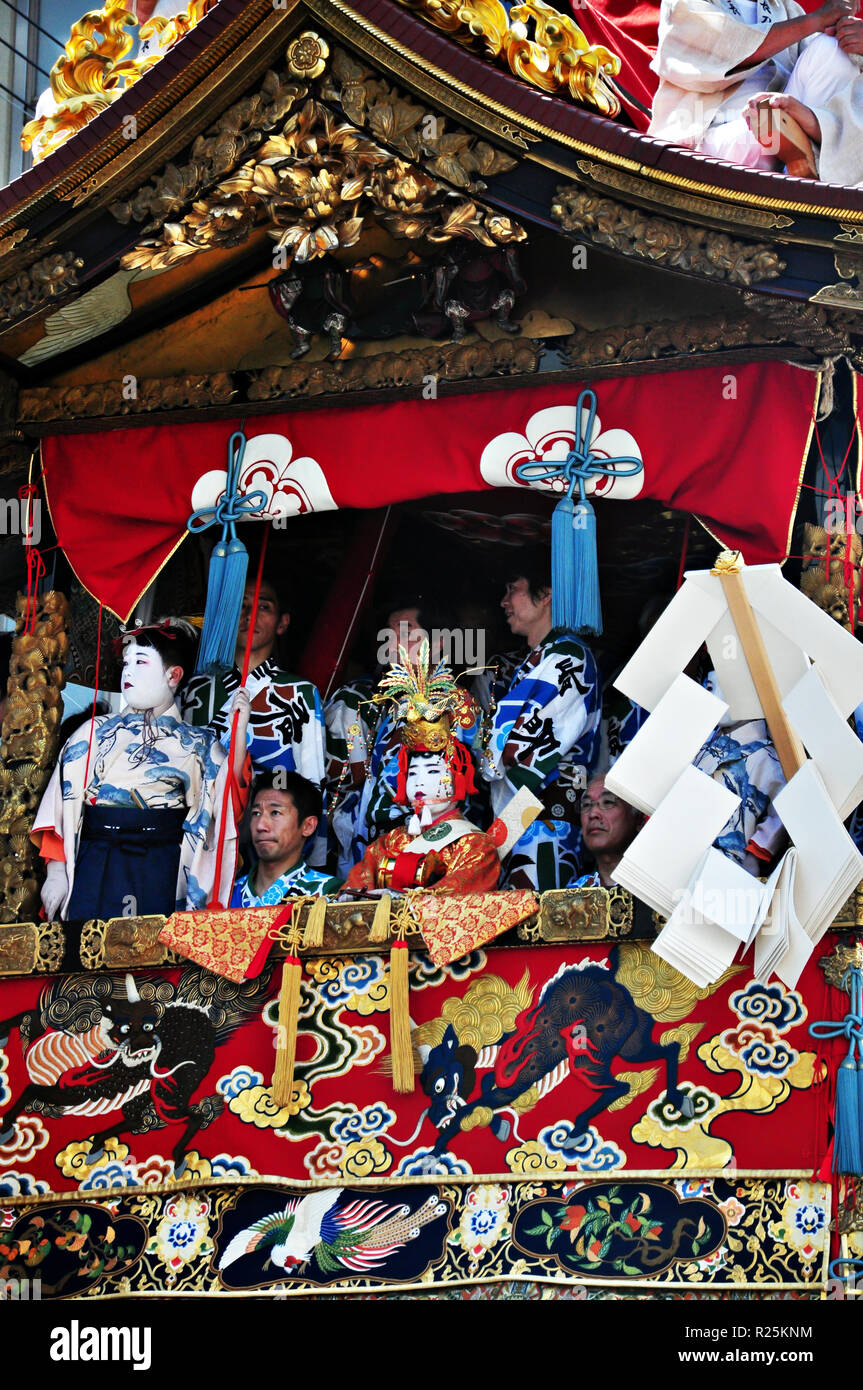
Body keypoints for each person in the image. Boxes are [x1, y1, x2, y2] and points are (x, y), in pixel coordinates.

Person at [33, 621, 250, 921]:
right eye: (126, 663)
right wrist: (56, 871)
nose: (129, 672)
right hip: (95, 856)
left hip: (161, 862)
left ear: (173, 675)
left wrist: (239, 737)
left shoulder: (199, 743)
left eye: (140, 662)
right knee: (88, 952)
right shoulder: (92, 733)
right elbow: (60, 805)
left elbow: (227, 802)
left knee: (149, 957)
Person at [325, 597, 479, 871]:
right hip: (378, 842)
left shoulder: (456, 702)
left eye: (406, 633)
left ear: (439, 642)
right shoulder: (388, 706)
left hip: (432, 843)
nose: (393, 642)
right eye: (390, 633)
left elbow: (477, 778)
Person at [478, 551, 602, 891]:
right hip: (520, 813)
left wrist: (482, 750)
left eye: (512, 589)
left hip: (543, 814)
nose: (504, 601)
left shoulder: (568, 657)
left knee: (536, 914)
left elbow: (514, 751)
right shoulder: (538, 659)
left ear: (545, 595)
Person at [182, 573, 327, 861]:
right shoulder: (195, 691)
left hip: (274, 839)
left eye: (264, 607)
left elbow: (313, 781)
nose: (250, 616)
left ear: (282, 622)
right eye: (242, 606)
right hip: (202, 836)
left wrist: (314, 860)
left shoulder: (300, 693)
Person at [649, 0, 863, 185]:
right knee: (764, 116)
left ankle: (807, 162)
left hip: (780, 123)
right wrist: (816, 20)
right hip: (713, 141)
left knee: (832, 49)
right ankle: (804, 156)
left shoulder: (785, 8)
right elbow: (724, 52)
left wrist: (848, 35)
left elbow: (830, 72)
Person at [343, 654, 500, 896]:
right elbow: (354, 887)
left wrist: (401, 903)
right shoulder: (388, 843)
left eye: (433, 771)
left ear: (457, 777)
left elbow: (462, 900)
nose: (420, 781)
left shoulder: (474, 844)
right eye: (413, 773)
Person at [693, 672, 787, 875]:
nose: (715, 697)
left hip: (728, 864)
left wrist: (756, 853)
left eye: (724, 689)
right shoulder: (700, 745)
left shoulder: (767, 757)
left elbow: (784, 810)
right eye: (710, 689)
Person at [230, 771, 340, 907]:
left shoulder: (330, 894)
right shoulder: (228, 894)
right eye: (256, 813)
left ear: (308, 826)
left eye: (275, 813)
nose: (260, 825)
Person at [574, 774, 644, 887]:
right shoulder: (573, 896)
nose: (592, 814)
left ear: (639, 819)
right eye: (586, 805)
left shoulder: (662, 887)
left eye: (607, 802)